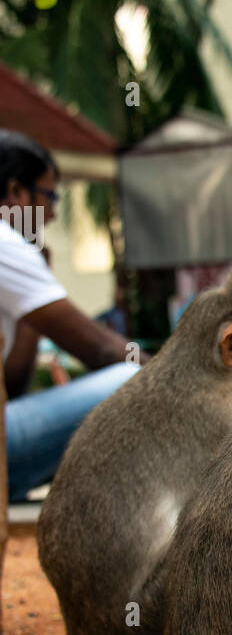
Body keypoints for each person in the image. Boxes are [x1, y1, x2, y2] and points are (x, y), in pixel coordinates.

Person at [1, 131, 141, 507]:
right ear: (15, 193)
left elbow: (11, 385)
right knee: (133, 378)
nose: (53, 213)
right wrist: (191, 371)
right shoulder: (5, 243)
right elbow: (101, 349)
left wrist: (31, 308)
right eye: (49, 197)